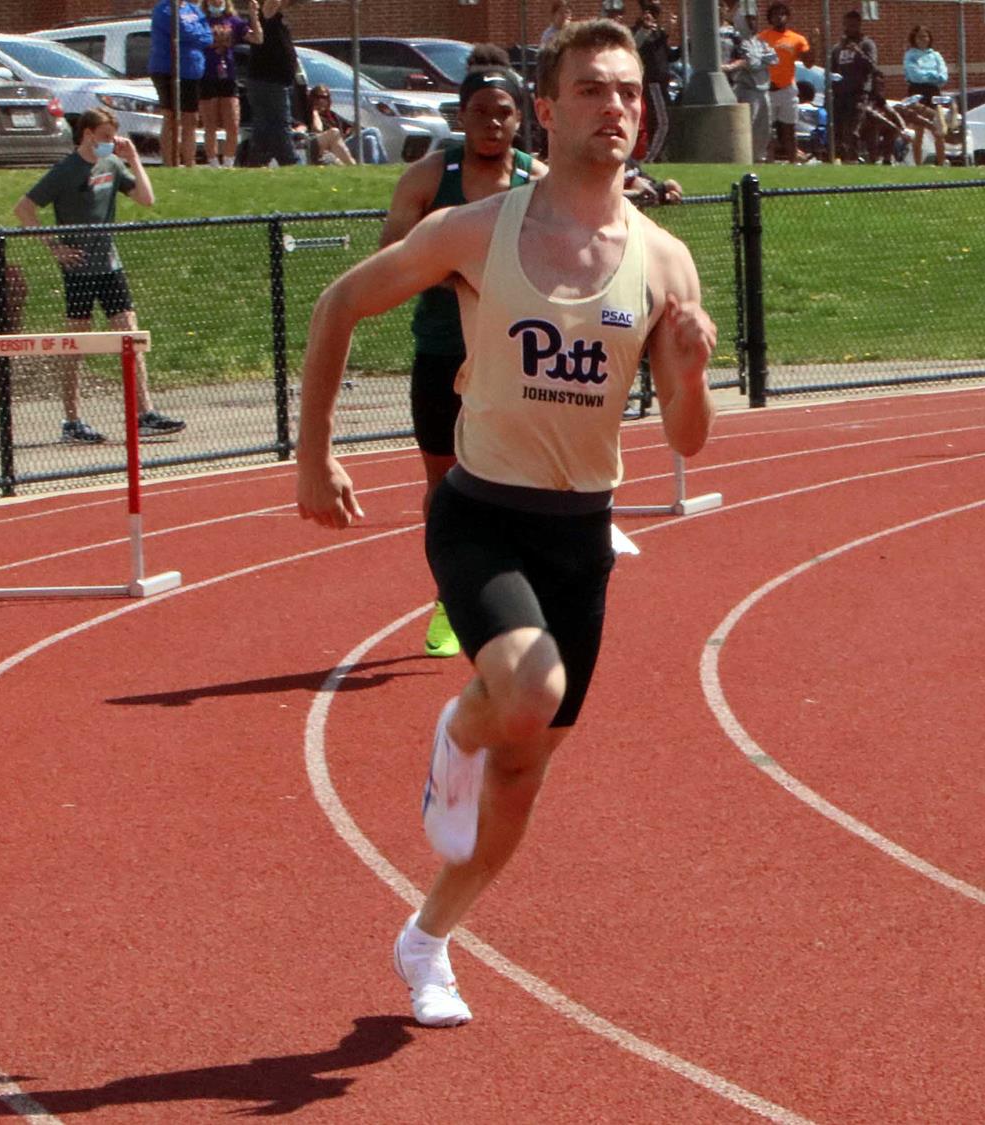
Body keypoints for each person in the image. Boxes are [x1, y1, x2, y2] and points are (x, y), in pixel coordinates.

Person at [295, 17, 716, 1028]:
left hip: (580, 533)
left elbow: (687, 438)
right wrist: (314, 454)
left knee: (523, 774)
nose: (615, 107)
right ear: (546, 110)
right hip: (480, 512)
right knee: (527, 685)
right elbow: (338, 305)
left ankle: (428, 940)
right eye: (592, 89)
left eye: (628, 91)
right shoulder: (478, 229)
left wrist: (694, 369)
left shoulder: (664, 263)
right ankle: (458, 728)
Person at [378, 67, 546, 659]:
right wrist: (459, 276)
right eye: (481, 112)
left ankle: (519, 590)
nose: (492, 123)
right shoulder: (429, 177)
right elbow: (391, 256)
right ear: (461, 116)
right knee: (445, 484)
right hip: (443, 350)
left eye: (503, 112)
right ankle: (449, 597)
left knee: (522, 480)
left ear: (520, 118)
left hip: (516, 356)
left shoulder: (537, 181)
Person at [13, 108, 187, 442]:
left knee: (130, 335)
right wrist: (55, 247)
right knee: (75, 343)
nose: (111, 142)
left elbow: (146, 199)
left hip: (110, 265)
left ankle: (144, 413)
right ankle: (72, 421)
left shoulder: (112, 165)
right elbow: (24, 209)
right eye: (105, 136)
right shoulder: (65, 171)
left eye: (113, 136)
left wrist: (133, 159)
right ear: (88, 134)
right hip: (79, 269)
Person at [149, 0, 211, 167]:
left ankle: (189, 164)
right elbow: (182, 32)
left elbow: (208, 36)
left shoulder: (193, 9)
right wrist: (196, 34)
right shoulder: (164, 9)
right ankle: (170, 163)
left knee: (190, 119)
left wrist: (195, 34)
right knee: (171, 117)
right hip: (167, 69)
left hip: (192, 70)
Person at [241, 0, 301, 167]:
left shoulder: (280, 20)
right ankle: (290, 161)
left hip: (277, 81)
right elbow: (272, 3)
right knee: (280, 123)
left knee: (264, 127)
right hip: (268, 80)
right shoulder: (266, 16)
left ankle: (256, 161)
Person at [197, 0, 251, 166]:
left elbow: (253, 36)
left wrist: (255, 16)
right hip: (207, 75)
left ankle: (229, 161)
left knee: (233, 123)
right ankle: (213, 162)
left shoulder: (233, 20)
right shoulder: (201, 20)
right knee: (210, 125)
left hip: (228, 76)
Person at [719, 0, 774, 162]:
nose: (752, 22)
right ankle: (745, 157)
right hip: (747, 89)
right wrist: (759, 60)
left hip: (764, 90)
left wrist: (759, 60)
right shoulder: (739, 39)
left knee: (764, 127)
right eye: (748, 19)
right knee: (747, 126)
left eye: (754, 18)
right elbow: (753, 63)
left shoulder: (760, 41)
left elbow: (773, 58)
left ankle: (759, 157)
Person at [757, 2, 812, 163]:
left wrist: (814, 43)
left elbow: (809, 63)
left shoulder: (797, 39)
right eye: (775, 14)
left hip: (787, 88)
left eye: (782, 14)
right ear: (770, 18)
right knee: (767, 129)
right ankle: (768, 160)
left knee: (789, 128)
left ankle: (793, 161)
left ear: (787, 17)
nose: (779, 17)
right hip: (767, 89)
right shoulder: (762, 38)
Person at [827, 9, 877, 164]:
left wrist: (858, 51)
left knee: (853, 131)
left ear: (859, 25)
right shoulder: (837, 48)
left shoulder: (866, 44)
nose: (850, 28)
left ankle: (853, 160)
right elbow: (831, 71)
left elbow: (872, 67)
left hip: (858, 94)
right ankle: (839, 160)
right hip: (840, 95)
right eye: (847, 25)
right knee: (838, 131)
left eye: (854, 25)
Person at [631, 0, 676, 163]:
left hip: (663, 82)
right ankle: (651, 156)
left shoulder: (659, 34)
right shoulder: (639, 32)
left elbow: (669, 56)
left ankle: (656, 154)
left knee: (659, 120)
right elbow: (634, 46)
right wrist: (645, 28)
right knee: (662, 121)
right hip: (652, 82)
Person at [901, 25, 948, 166]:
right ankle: (918, 165)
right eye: (920, 37)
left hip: (934, 94)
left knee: (939, 130)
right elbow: (915, 76)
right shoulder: (910, 55)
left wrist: (929, 75)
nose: (923, 39)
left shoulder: (936, 55)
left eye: (925, 36)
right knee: (919, 131)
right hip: (917, 94)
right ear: (914, 39)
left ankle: (941, 163)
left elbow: (943, 77)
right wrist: (933, 75)